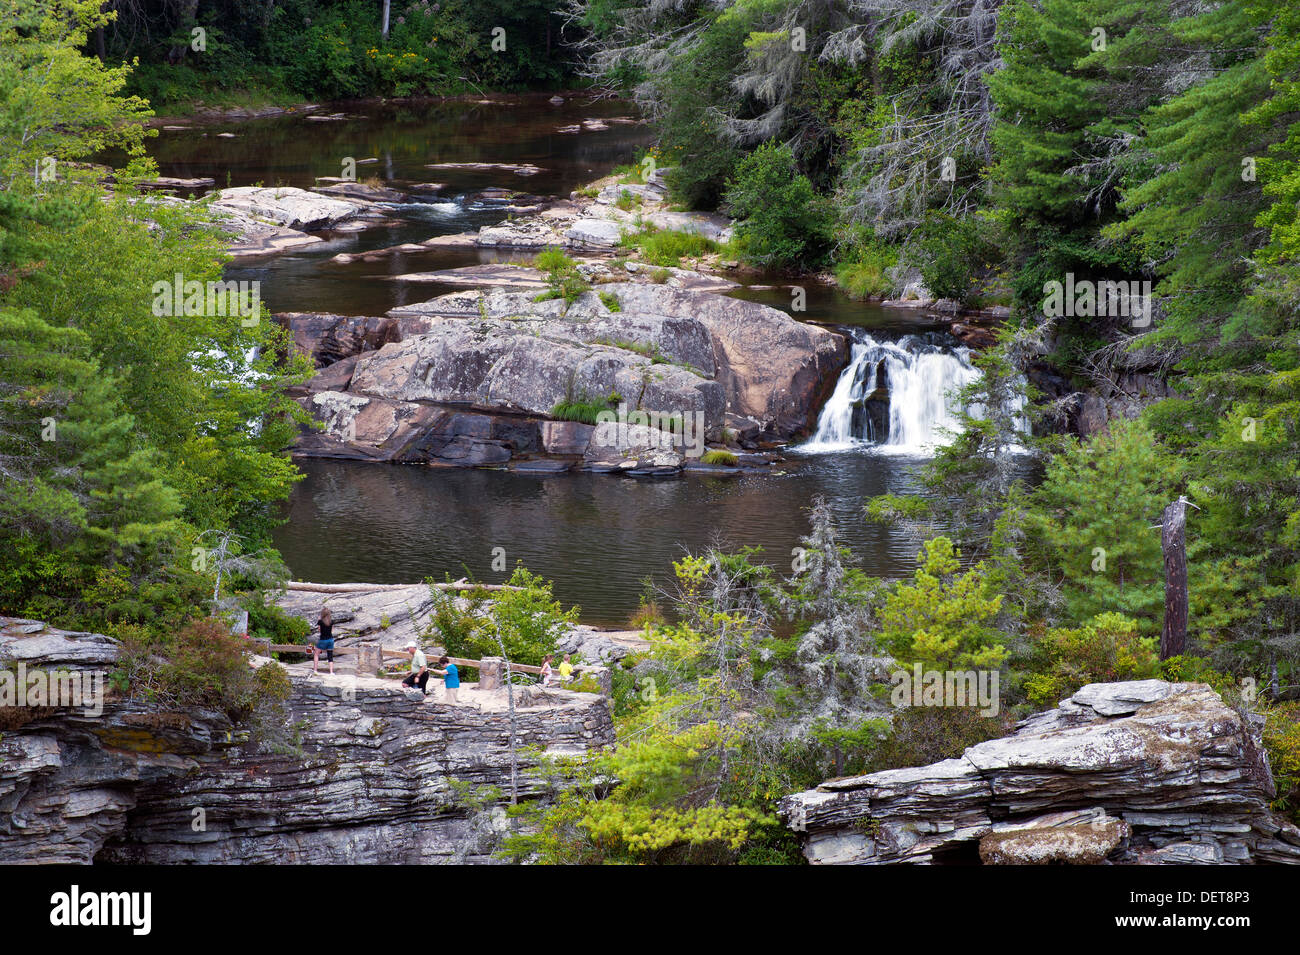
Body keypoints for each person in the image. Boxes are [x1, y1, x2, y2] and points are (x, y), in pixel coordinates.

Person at [313, 607, 335, 675]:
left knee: (316, 654)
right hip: (331, 640)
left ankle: (315, 670)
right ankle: (331, 672)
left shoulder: (320, 622)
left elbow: (319, 630)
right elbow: (332, 630)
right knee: (330, 656)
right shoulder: (331, 621)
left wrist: (319, 620)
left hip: (323, 640)